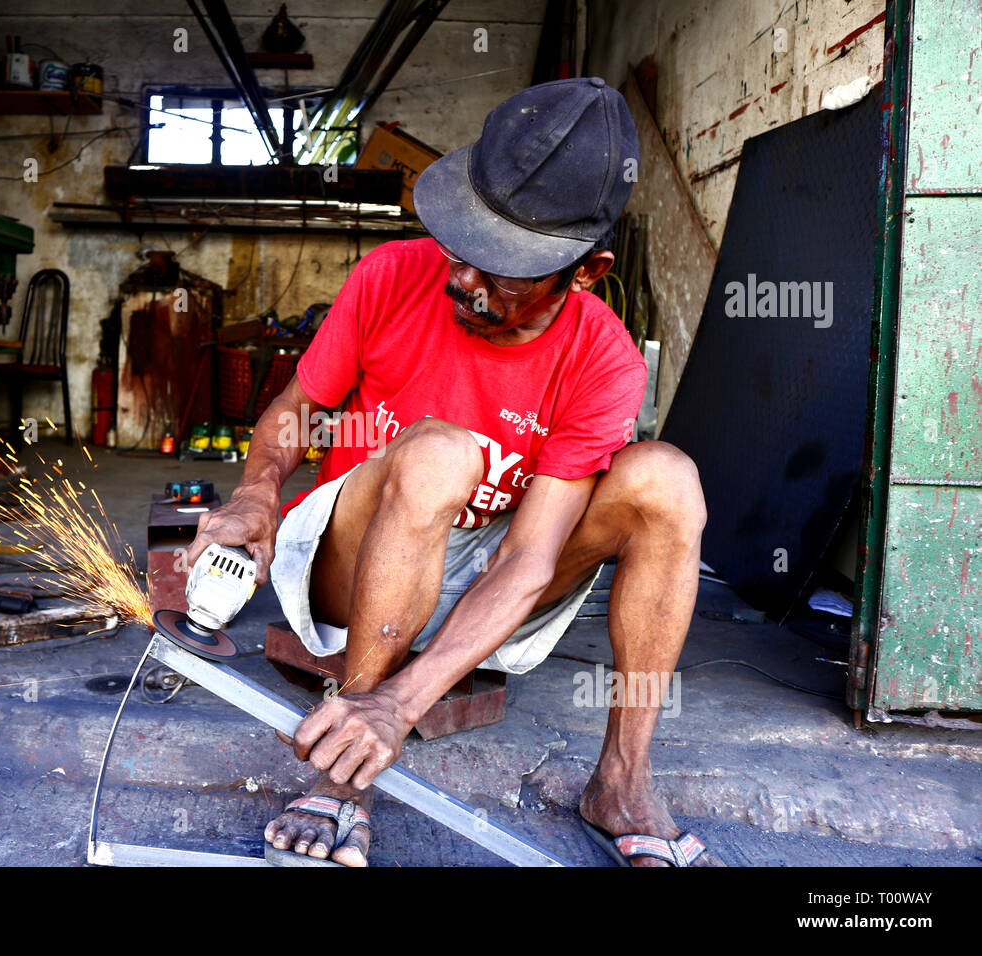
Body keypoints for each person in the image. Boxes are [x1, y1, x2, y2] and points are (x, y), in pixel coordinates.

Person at [186, 77, 716, 867]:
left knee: (668, 478)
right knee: (441, 451)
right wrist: (257, 495)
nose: (466, 280)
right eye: (464, 247)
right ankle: (345, 774)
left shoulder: (603, 359)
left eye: (504, 270)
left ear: (587, 271)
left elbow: (531, 558)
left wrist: (405, 703)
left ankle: (622, 780)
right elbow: (298, 409)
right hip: (354, 566)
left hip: (488, 595)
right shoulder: (391, 276)